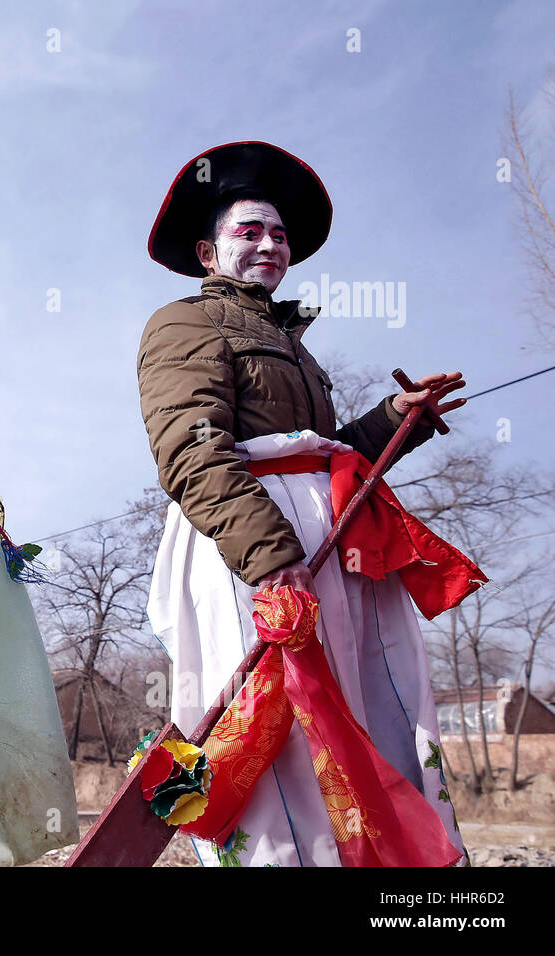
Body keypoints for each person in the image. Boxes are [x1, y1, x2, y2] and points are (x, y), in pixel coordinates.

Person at [138, 141, 473, 866]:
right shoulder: (183, 324)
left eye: (279, 234)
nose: (269, 243)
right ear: (206, 252)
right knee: (278, 723)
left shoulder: (293, 344)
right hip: (255, 549)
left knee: (355, 706)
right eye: (248, 231)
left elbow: (320, 451)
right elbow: (192, 450)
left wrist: (395, 416)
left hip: (331, 548)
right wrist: (269, 559)